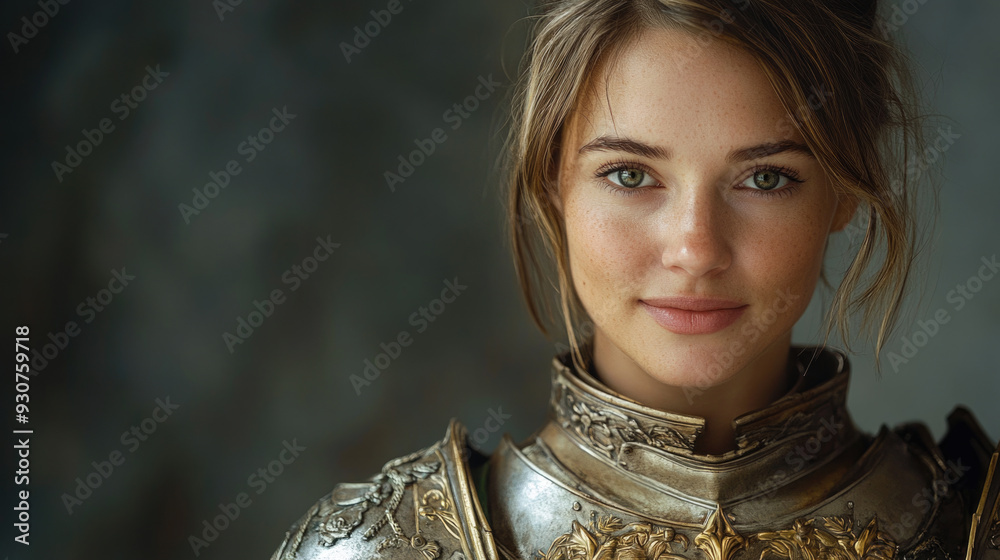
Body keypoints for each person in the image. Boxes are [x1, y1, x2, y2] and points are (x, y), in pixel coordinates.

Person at [271, 0, 999, 558]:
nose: (695, 249)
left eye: (765, 177)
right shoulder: (383, 545)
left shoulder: (971, 527)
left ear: (846, 189)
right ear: (552, 181)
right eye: (630, 175)